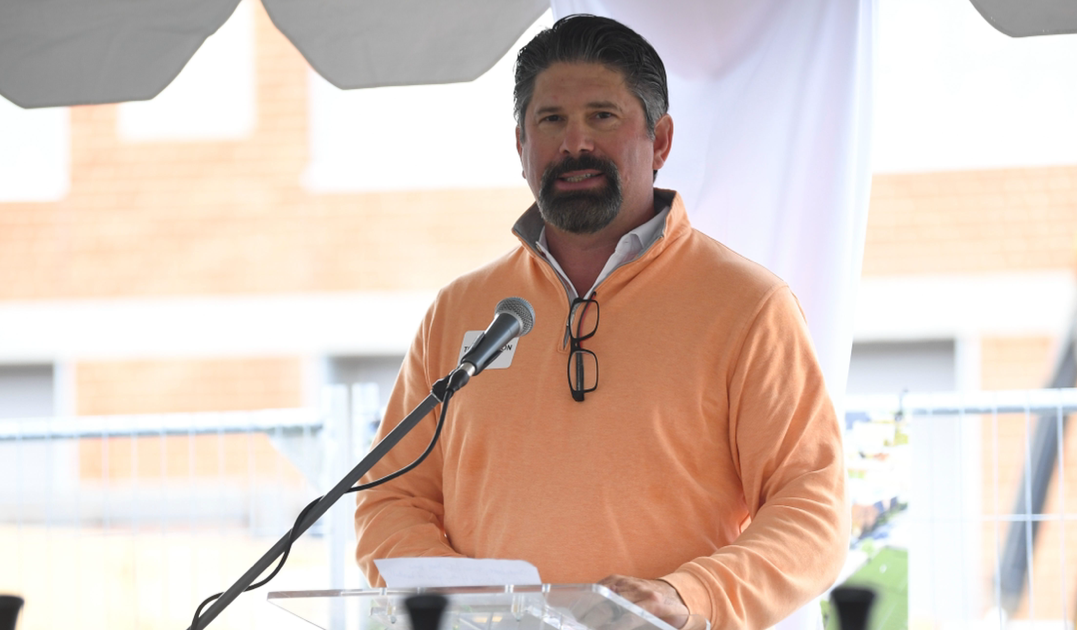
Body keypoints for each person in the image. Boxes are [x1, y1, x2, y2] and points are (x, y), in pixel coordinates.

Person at [354, 15, 848, 630]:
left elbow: (813, 509)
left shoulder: (747, 306)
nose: (575, 143)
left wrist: (688, 596)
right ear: (520, 147)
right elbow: (390, 502)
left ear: (661, 141)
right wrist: (482, 606)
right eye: (551, 120)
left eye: (603, 117)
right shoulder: (461, 309)